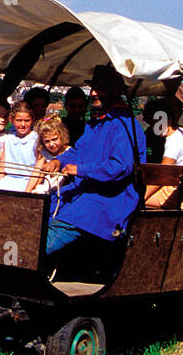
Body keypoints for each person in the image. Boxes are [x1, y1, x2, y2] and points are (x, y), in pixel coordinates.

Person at [45, 64, 147, 266]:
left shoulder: (124, 124)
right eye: (93, 89)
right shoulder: (96, 122)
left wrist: (79, 169)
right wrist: (59, 160)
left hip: (111, 198)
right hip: (87, 191)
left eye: (99, 89)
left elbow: (119, 167)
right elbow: (77, 151)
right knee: (44, 207)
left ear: (115, 91)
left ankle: (21, 259)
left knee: (58, 227)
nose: (92, 94)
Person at [142, 97, 183, 210]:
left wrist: (142, 197)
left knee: (131, 201)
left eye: (156, 122)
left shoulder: (175, 139)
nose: (154, 128)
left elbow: (163, 173)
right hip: (182, 189)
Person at [0, 101, 40, 191]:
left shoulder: (36, 139)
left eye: (27, 121)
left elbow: (37, 171)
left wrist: (27, 192)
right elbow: (2, 166)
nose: (23, 124)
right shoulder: (9, 139)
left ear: (32, 119)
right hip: (9, 180)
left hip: (28, 182)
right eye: (19, 120)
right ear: (12, 120)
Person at [26, 116, 70, 193]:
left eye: (54, 139)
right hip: (46, 186)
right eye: (47, 141)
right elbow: (37, 172)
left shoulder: (68, 151)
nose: (52, 144)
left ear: (61, 136)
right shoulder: (44, 153)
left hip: (62, 188)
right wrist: (27, 191)